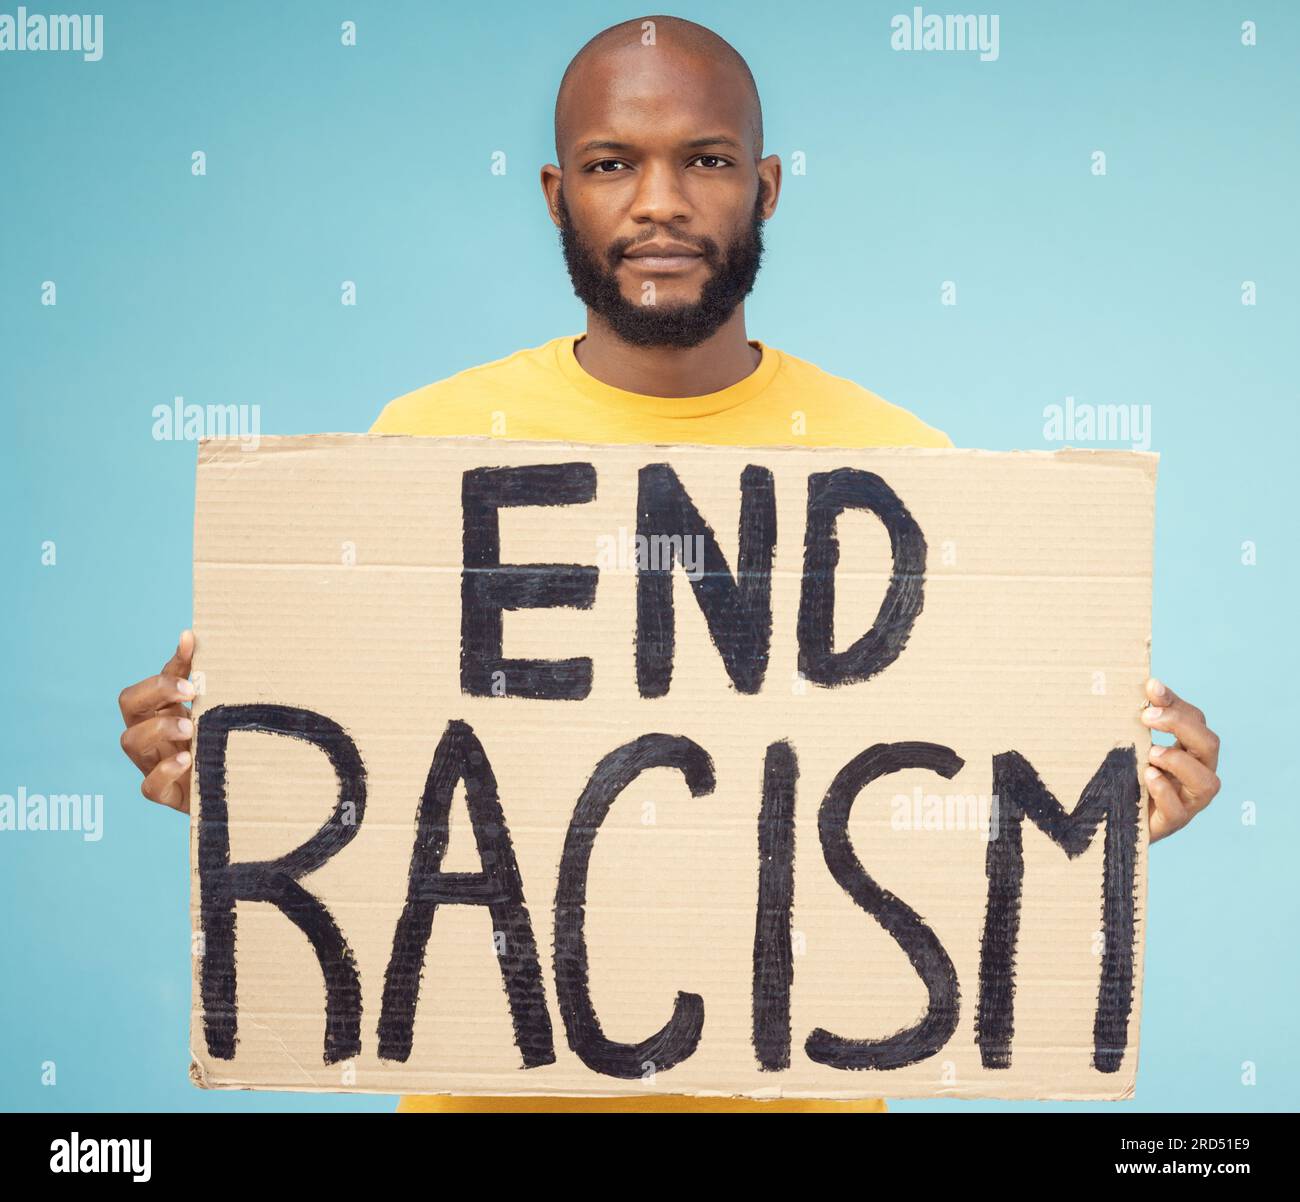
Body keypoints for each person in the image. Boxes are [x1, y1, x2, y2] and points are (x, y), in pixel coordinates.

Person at [116, 15, 1222, 1114]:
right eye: (612, 164)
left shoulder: (898, 467)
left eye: (705, 160)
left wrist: (1098, 814)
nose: (659, 201)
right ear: (557, 194)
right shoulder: (426, 444)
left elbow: (937, 798)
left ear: (766, 187)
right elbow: (388, 777)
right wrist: (239, 787)